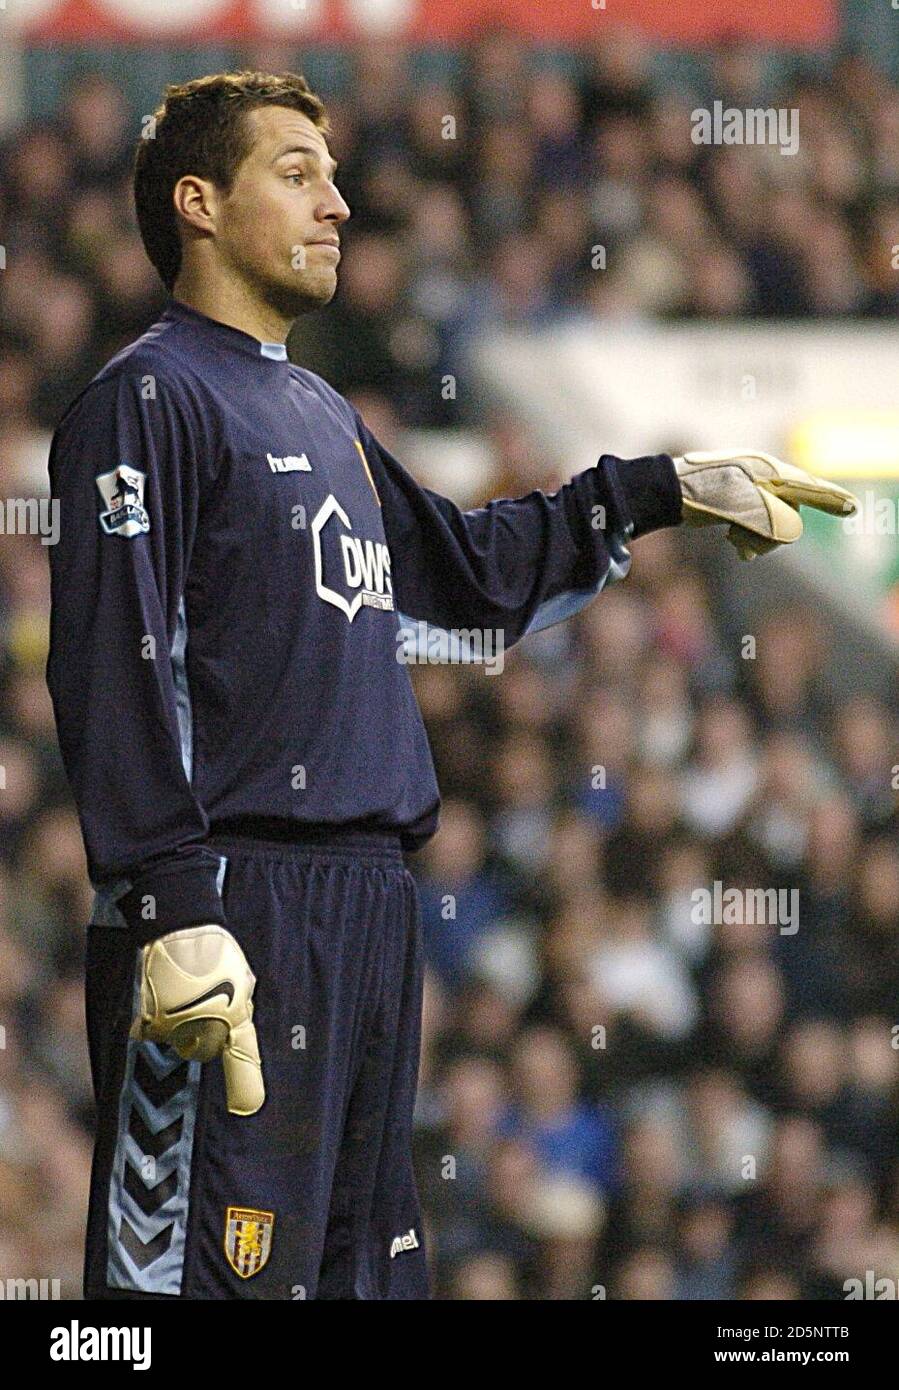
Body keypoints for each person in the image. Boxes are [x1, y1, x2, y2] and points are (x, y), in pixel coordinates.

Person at [45, 70, 855, 1301]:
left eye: (335, 175)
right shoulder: (146, 399)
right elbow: (112, 655)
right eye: (298, 173)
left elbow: (467, 575)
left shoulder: (320, 408)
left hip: (368, 911)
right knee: (195, 1291)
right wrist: (163, 898)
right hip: (228, 914)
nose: (340, 204)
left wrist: (654, 490)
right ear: (198, 204)